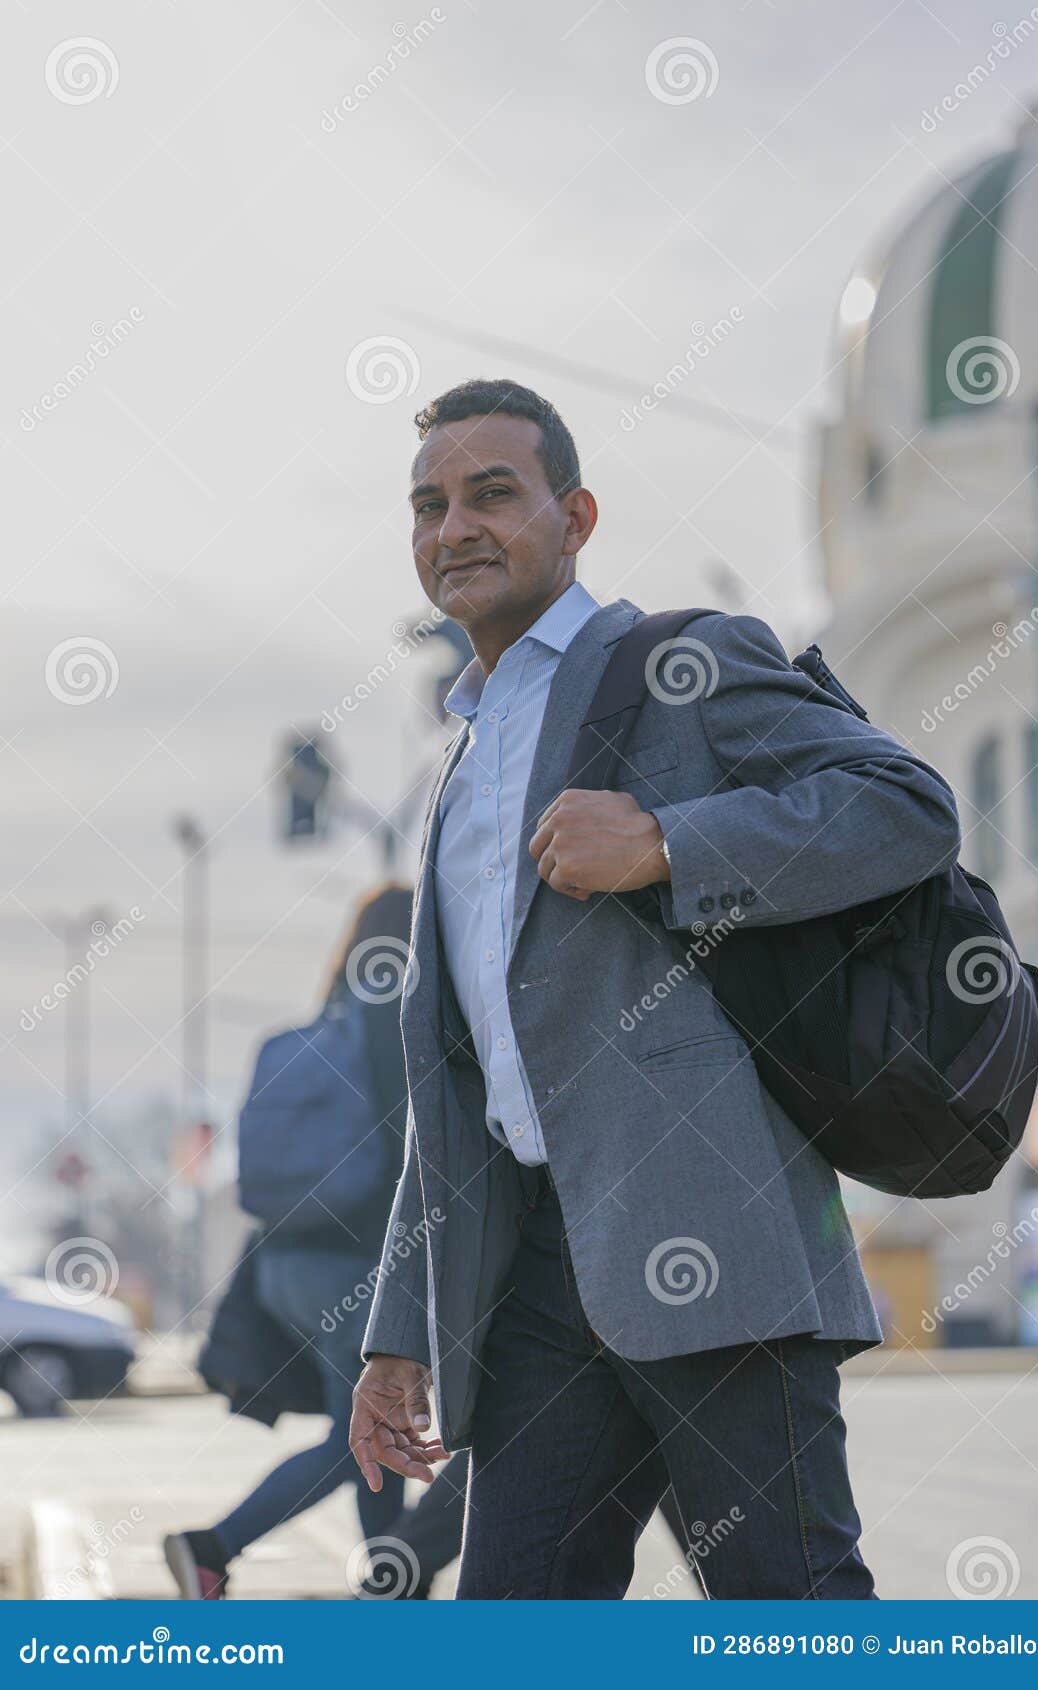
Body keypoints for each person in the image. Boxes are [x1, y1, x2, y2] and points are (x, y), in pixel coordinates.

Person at [349, 379, 964, 1599]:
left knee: (794, 1615)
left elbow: (906, 809)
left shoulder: (680, 660)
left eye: (491, 494)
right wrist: (395, 1330)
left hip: (717, 1245)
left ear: (574, 516)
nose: (453, 526)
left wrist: (672, 843)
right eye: (428, 504)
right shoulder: (458, 767)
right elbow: (455, 1075)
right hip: (535, 1283)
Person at [166, 884, 447, 1599]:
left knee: (368, 1432)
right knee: (362, 1438)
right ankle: (211, 1546)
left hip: (283, 1262)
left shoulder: (319, 1030)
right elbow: (408, 1152)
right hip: (355, 1263)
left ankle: (392, 1578)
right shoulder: (393, 1026)